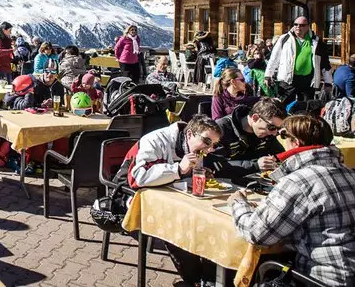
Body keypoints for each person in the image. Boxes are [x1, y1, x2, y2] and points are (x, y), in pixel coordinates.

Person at [228, 114, 355, 286]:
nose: (279, 140)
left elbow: (256, 233)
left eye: (282, 135)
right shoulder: (349, 173)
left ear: (295, 141)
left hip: (323, 278)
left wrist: (238, 203)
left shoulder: (300, 181)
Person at [115, 115, 224, 285]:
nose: (209, 149)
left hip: (168, 193)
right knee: (177, 225)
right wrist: (178, 169)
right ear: (189, 134)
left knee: (206, 220)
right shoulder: (155, 140)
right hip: (131, 193)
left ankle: (211, 278)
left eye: (214, 145)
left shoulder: (196, 148)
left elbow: (186, 175)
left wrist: (200, 173)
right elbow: (137, 179)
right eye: (207, 142)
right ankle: (195, 280)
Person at [265, 16, 332, 102]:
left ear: (308, 26)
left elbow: (325, 63)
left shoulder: (316, 41)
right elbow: (274, 58)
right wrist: (268, 75)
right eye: (296, 24)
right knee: (283, 106)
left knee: (305, 108)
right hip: (287, 79)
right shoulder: (284, 39)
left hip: (307, 80)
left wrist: (328, 82)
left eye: (302, 25)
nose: (298, 27)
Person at [214, 97, 286, 178]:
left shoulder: (267, 134)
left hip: (252, 182)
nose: (274, 133)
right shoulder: (222, 128)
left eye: (278, 128)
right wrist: (255, 165)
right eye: (272, 127)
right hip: (225, 183)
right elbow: (215, 164)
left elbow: (280, 156)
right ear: (255, 118)